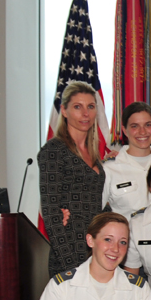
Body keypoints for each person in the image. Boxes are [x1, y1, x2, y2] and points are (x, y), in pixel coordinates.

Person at [38, 80, 106, 277]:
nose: (86, 113)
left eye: (91, 107)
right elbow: (51, 213)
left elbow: (95, 201)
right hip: (69, 251)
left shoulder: (94, 154)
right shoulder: (54, 151)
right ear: (65, 111)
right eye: (78, 107)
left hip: (96, 249)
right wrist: (71, 265)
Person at [102, 101, 151, 220]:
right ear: (124, 130)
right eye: (134, 126)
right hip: (128, 237)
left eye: (148, 125)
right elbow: (95, 211)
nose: (142, 132)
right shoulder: (109, 168)